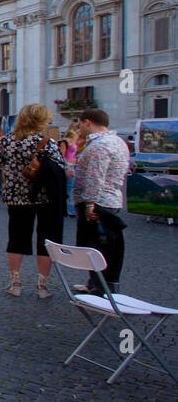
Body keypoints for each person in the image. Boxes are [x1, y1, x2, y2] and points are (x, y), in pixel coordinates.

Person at [0, 103, 65, 298]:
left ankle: (15, 283)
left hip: (17, 197)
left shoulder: (7, 141)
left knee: (17, 238)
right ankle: (42, 286)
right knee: (45, 239)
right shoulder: (46, 142)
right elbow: (60, 168)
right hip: (44, 196)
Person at [72, 108, 131, 296]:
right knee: (102, 245)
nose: (79, 128)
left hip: (98, 203)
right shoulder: (118, 142)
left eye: (80, 124)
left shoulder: (99, 146)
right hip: (111, 198)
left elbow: (95, 177)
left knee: (97, 246)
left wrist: (90, 204)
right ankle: (95, 283)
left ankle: (100, 288)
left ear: (87, 122)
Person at [61, 131, 79, 218]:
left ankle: (70, 209)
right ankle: (70, 210)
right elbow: (62, 155)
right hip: (69, 166)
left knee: (71, 188)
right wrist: (67, 164)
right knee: (70, 188)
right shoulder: (65, 141)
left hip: (73, 165)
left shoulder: (74, 140)